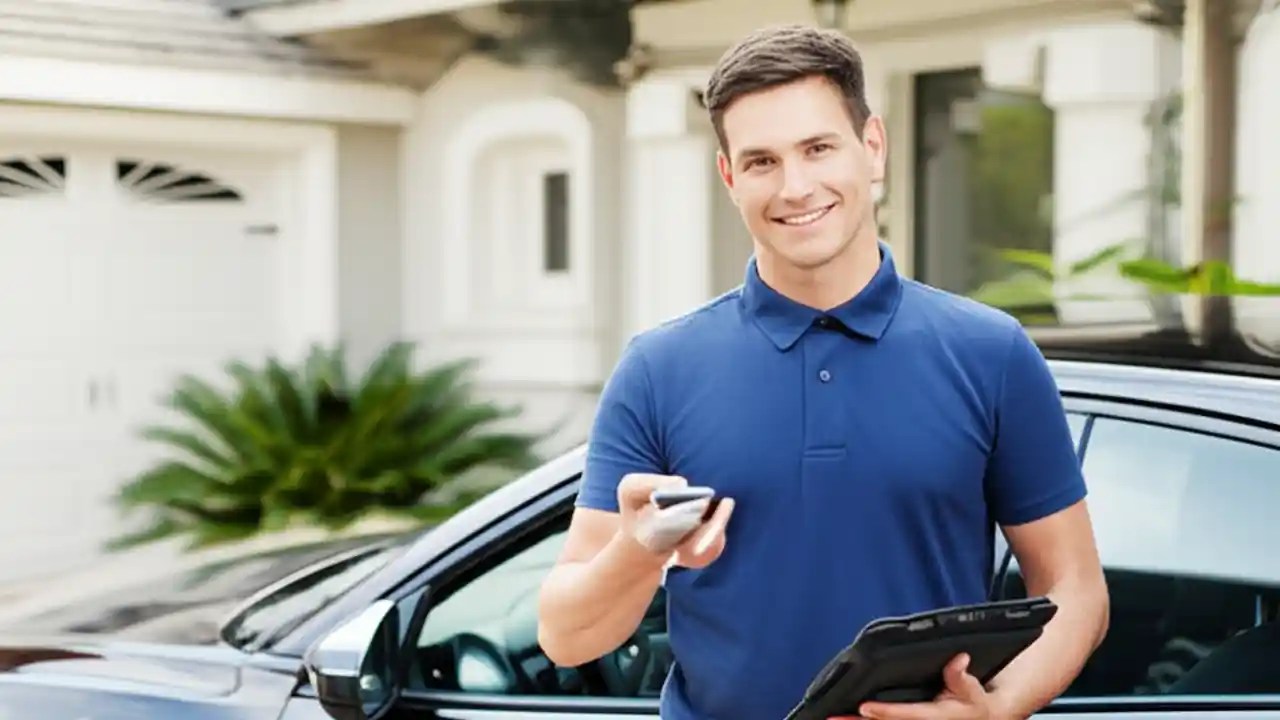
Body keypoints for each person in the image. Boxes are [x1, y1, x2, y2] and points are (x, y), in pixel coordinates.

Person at [537, 22, 1110, 720]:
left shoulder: (992, 352)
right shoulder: (659, 369)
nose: (795, 187)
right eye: (761, 162)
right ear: (728, 176)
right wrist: (638, 548)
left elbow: (1078, 591)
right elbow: (566, 636)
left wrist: (995, 710)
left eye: (817, 148)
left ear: (872, 147)